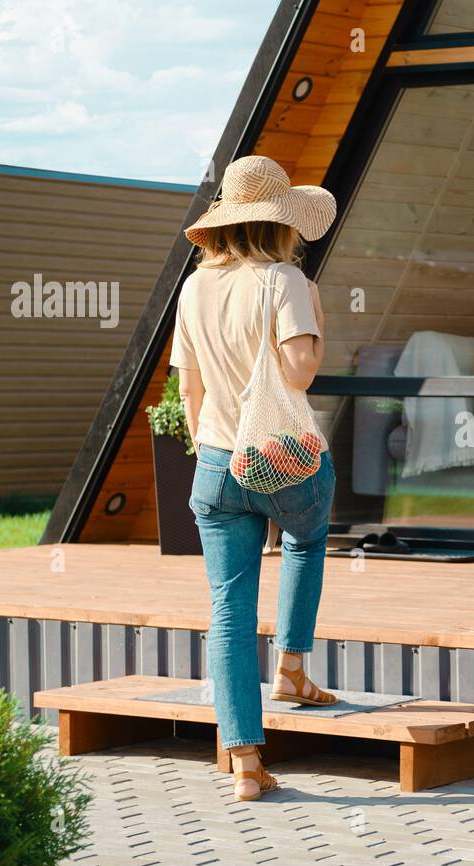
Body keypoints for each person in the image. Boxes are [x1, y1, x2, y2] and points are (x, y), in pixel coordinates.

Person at [170, 155, 338, 801]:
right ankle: (293, 667)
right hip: (280, 454)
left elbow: (190, 387)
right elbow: (298, 371)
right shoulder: (284, 281)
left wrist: (212, 450)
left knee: (229, 611)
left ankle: (244, 762)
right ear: (281, 223)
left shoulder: (195, 287)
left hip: (215, 460)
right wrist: (314, 320)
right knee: (306, 537)